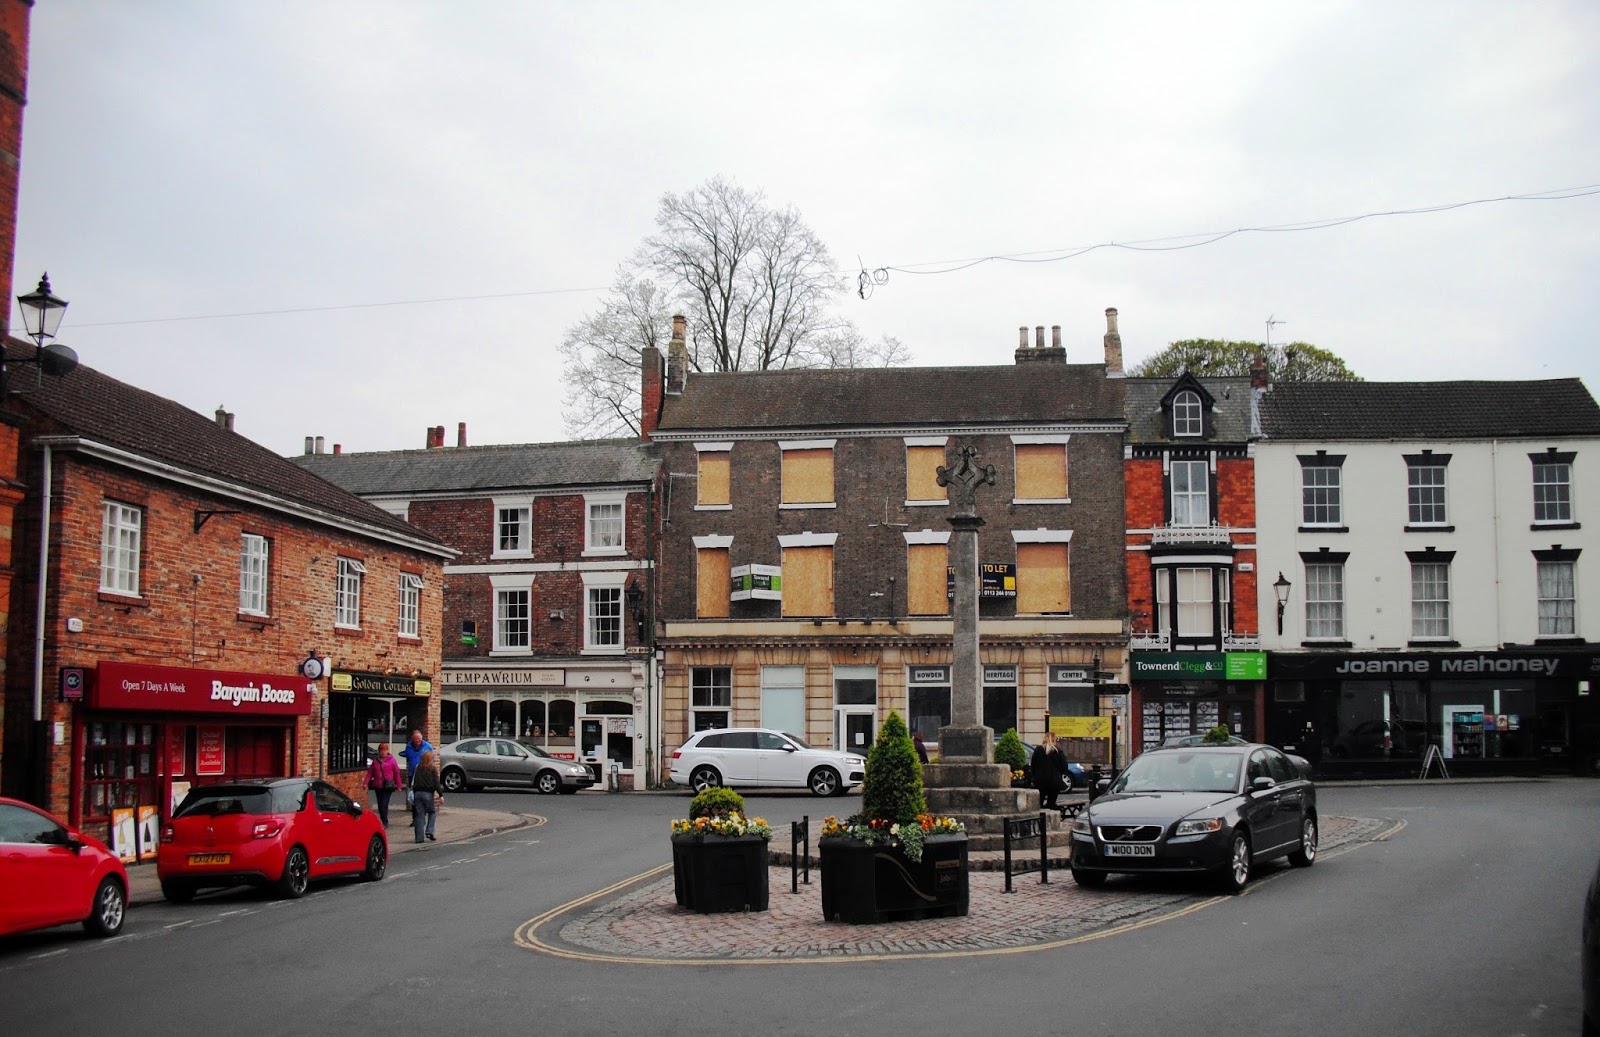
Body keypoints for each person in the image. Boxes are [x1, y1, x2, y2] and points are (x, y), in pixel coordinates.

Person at [365, 743, 402, 827]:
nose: (383, 752)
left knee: (384, 804)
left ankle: (385, 822)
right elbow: (370, 773)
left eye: (384, 750)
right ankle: (383, 820)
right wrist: (366, 783)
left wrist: (399, 785)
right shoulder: (375, 761)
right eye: (381, 750)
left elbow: (397, 773)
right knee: (380, 804)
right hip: (378, 786)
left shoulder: (392, 760)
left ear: (387, 751)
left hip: (388, 786)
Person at [410, 749, 442, 844]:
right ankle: (429, 831)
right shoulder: (432, 769)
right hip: (428, 793)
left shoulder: (417, 768)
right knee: (432, 812)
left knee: (419, 815)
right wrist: (440, 794)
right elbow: (436, 782)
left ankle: (419, 838)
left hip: (417, 793)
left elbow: (414, 780)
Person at [1031, 731, 1068, 813]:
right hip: (1054, 782)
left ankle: (1040, 822)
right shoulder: (1058, 751)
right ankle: (1051, 822)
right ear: (1054, 740)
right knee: (1051, 804)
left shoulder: (1038, 750)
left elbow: (1033, 766)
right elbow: (1064, 767)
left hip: (1040, 781)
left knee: (1038, 804)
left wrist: (1035, 777)